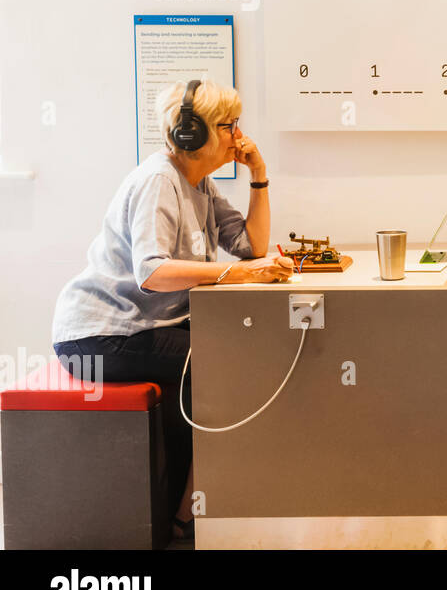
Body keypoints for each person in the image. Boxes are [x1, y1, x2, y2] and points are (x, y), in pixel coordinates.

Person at [51, 79, 294, 542]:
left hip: (141, 327)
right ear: (192, 133)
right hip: (101, 334)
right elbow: (151, 272)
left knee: (225, 360)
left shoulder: (197, 182)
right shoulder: (159, 179)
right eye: (229, 125)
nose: (238, 136)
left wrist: (259, 174)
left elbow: (250, 245)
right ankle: (188, 512)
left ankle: (187, 507)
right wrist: (238, 276)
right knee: (227, 363)